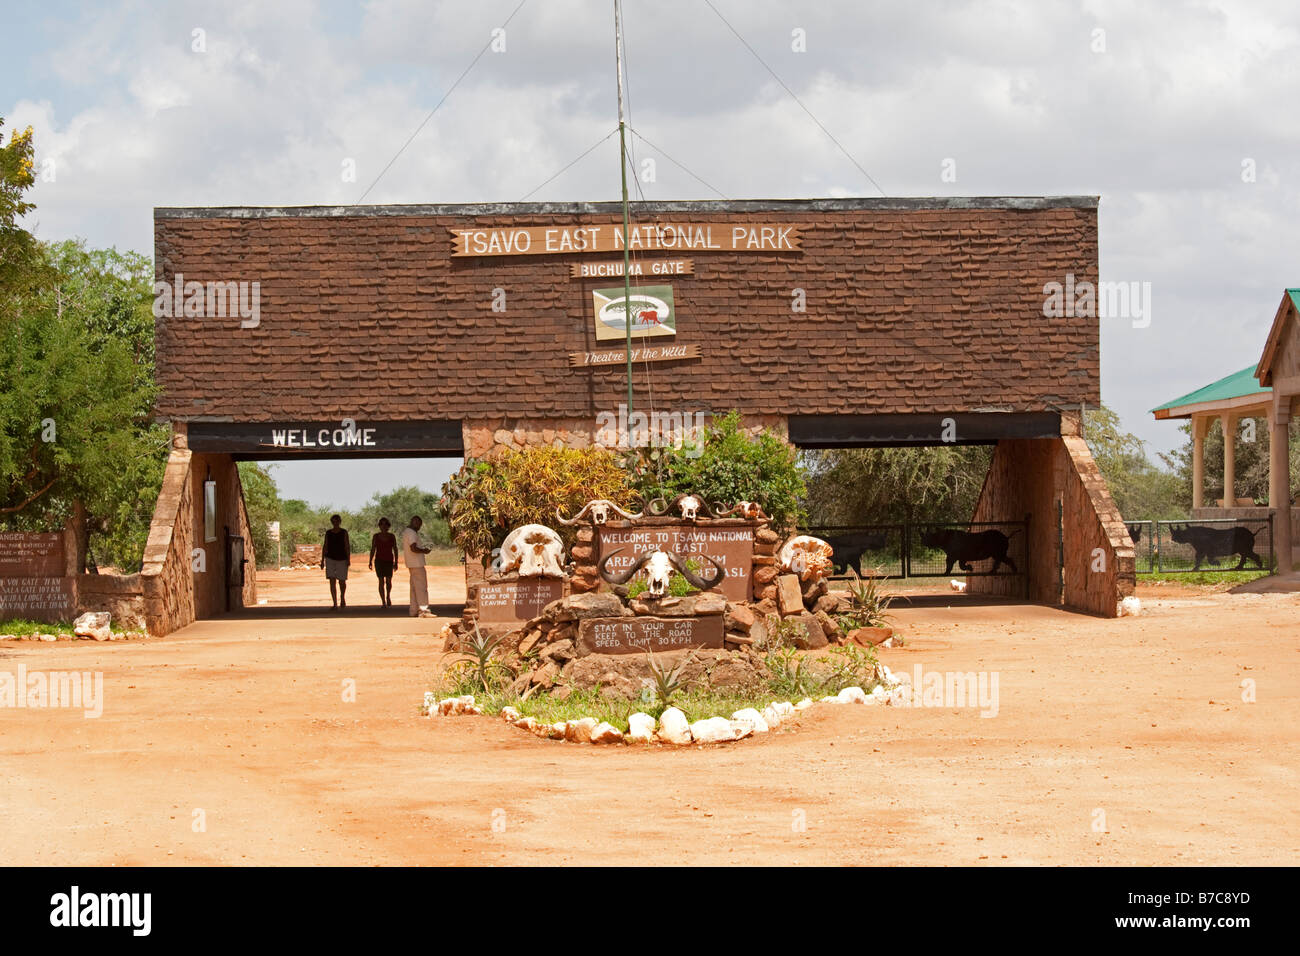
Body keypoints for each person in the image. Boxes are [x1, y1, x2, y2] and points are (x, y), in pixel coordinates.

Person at [402, 515, 432, 617]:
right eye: (419, 524)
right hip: (417, 564)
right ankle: (424, 610)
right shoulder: (412, 533)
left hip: (411, 564)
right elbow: (413, 548)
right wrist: (424, 550)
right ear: (415, 523)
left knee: (414, 588)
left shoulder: (407, 532)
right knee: (421, 587)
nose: (419, 527)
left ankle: (413, 610)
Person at [320, 514, 351, 609]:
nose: (335, 523)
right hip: (330, 558)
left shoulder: (344, 532)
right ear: (332, 522)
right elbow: (325, 545)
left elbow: (347, 546)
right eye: (333, 521)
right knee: (332, 581)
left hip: (342, 558)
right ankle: (335, 603)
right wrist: (322, 560)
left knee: (342, 581)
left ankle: (342, 597)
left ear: (340, 522)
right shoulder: (328, 533)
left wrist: (348, 559)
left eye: (337, 521)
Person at [368, 517, 399, 607]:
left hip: (389, 560)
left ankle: (388, 596)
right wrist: (370, 561)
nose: (383, 526)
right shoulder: (376, 536)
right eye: (382, 524)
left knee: (389, 581)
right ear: (379, 526)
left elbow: (395, 549)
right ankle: (383, 602)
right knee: (381, 581)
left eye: (385, 524)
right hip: (379, 561)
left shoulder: (392, 536)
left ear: (388, 526)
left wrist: (396, 562)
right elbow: (373, 549)